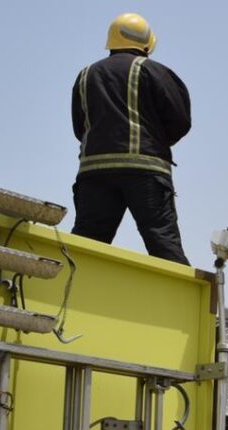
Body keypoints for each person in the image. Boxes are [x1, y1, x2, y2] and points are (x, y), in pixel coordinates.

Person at [71, 13, 192, 264]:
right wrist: (154, 142)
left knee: (84, 248)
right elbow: (180, 121)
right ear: (147, 42)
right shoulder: (153, 72)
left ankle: (65, 297)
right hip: (145, 172)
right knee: (163, 244)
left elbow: (79, 128)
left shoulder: (85, 75)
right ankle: (178, 301)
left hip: (94, 174)